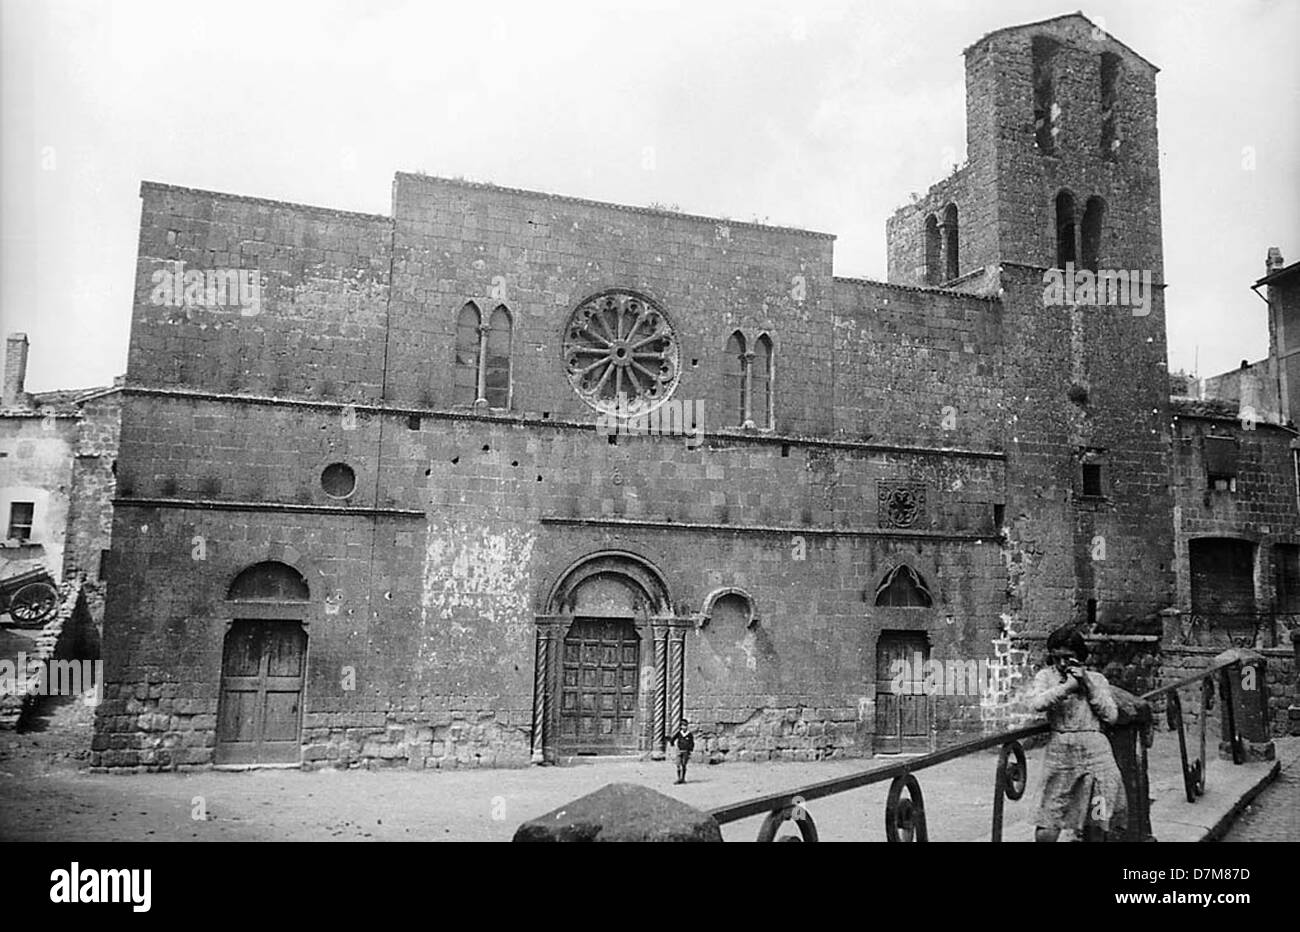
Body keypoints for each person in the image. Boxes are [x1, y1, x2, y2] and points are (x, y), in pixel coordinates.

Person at [1025, 626, 1126, 842]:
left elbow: (1111, 715)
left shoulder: (1096, 679)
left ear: (1079, 656)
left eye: (1068, 658)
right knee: (1050, 813)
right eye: (1057, 658)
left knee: (1098, 810)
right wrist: (1067, 688)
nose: (1062, 664)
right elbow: (1036, 703)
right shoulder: (1046, 677)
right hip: (1061, 752)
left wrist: (1087, 684)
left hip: (1096, 753)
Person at [667, 718, 695, 784]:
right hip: (679, 750)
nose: (684, 727)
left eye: (685, 725)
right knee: (678, 764)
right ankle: (679, 778)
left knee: (684, 765)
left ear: (687, 726)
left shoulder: (689, 734)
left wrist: (690, 750)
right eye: (682, 725)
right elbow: (673, 739)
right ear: (681, 726)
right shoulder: (679, 733)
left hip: (686, 751)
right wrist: (672, 744)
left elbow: (692, 743)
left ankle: (683, 778)